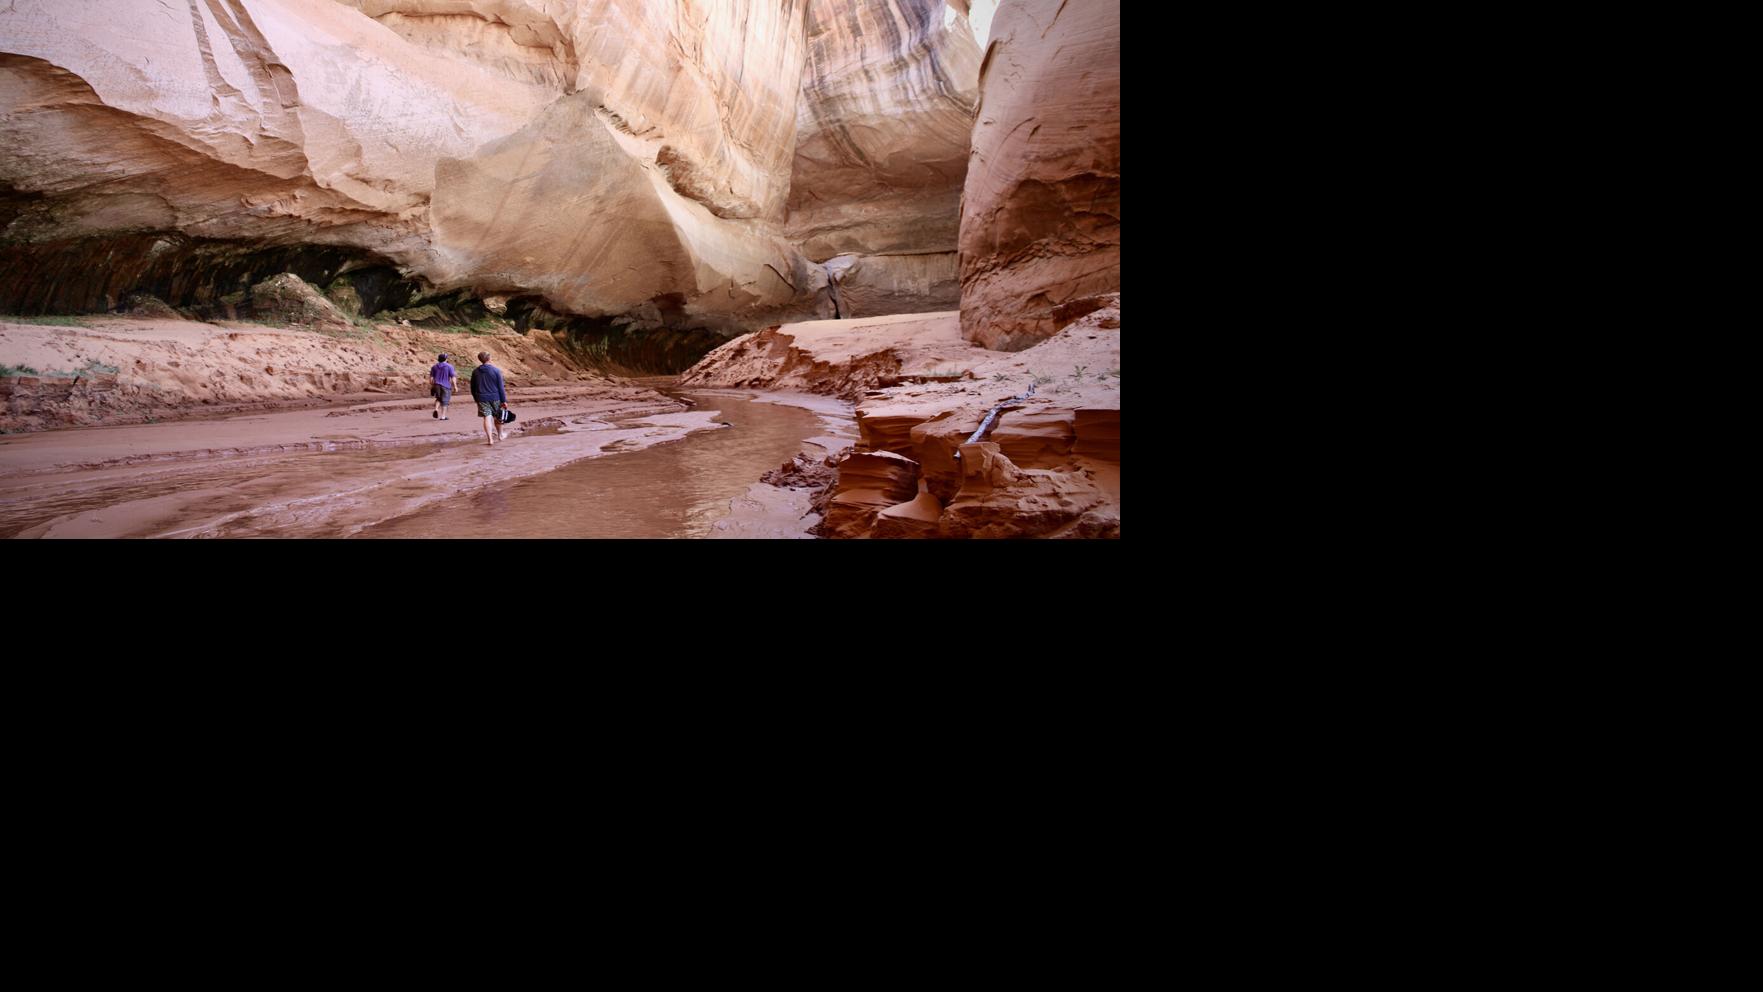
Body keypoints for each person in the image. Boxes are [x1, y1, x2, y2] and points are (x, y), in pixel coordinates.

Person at [470, 350, 509, 446]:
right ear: (489, 358)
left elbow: (472, 387)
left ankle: (490, 439)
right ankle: (500, 435)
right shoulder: (496, 370)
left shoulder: (475, 372)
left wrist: (476, 398)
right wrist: (504, 400)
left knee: (487, 417)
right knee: (498, 417)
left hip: (481, 397)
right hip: (495, 397)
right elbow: (501, 387)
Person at [429, 353, 456, 419]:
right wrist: (455, 386)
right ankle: (443, 416)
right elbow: (453, 377)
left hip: (436, 385)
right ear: (446, 359)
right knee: (445, 401)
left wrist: (432, 385)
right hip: (446, 385)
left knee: (438, 398)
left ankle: (436, 409)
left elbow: (431, 378)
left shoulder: (434, 367)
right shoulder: (449, 366)